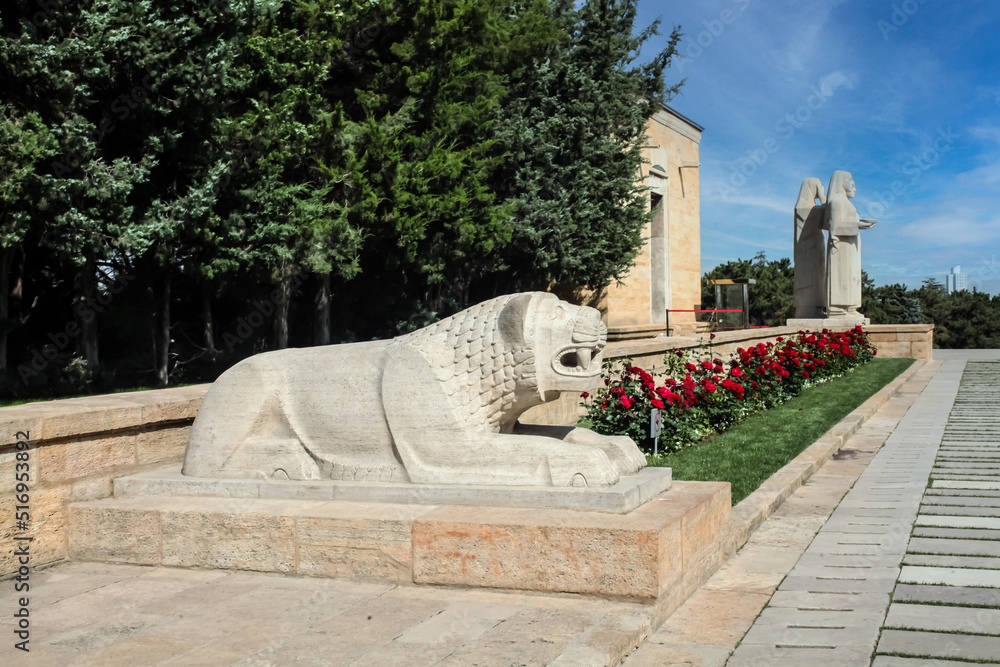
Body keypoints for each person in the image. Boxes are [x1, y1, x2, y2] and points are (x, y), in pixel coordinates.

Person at [825, 171, 876, 317]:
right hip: (841, 247)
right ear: (841, 182)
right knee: (842, 275)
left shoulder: (845, 202)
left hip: (850, 245)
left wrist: (858, 224)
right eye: (850, 181)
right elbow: (834, 227)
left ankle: (850, 307)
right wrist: (858, 226)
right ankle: (839, 309)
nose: (854, 186)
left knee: (852, 275)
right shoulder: (837, 201)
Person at [793, 177, 827, 318]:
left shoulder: (809, 207)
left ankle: (817, 308)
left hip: (813, 249)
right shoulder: (804, 207)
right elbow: (830, 213)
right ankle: (809, 310)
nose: (822, 188)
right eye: (819, 186)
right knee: (811, 280)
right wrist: (823, 196)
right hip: (808, 251)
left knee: (818, 278)